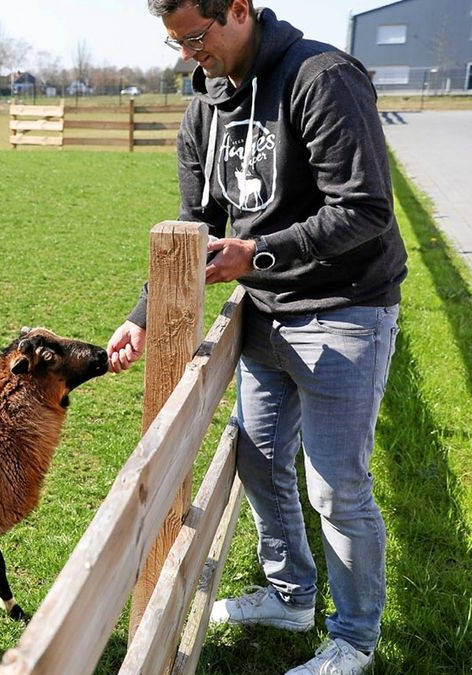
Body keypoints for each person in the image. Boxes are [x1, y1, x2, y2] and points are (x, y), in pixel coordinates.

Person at [108, 2, 407, 674]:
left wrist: (258, 254)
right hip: (264, 316)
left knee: (335, 488)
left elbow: (363, 207)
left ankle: (354, 640)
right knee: (260, 460)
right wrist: (141, 314)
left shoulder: (320, 77)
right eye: (173, 42)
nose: (187, 54)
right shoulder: (203, 113)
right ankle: (291, 594)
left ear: (238, 9)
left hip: (344, 310)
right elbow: (195, 228)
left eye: (194, 36)